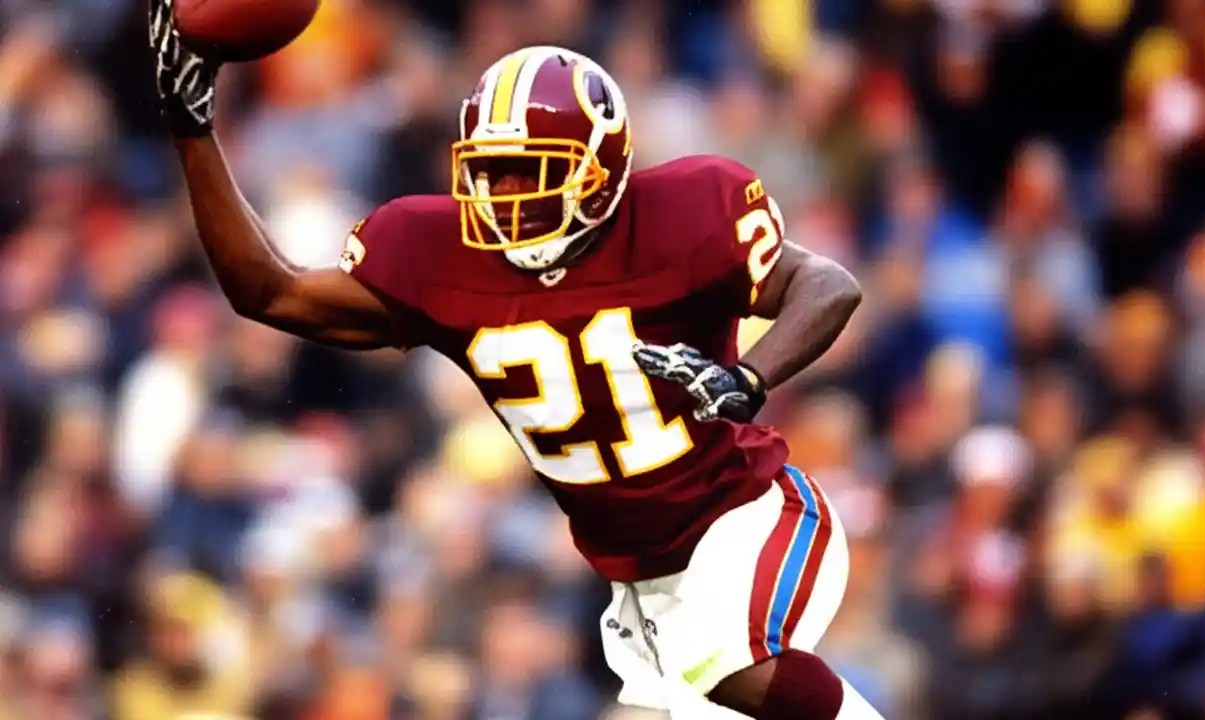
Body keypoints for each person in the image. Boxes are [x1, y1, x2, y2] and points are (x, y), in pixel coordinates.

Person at [148, 1, 878, 716]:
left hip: (750, 518)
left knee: (726, 661)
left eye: (529, 170)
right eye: (490, 172)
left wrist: (748, 376)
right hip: (644, 583)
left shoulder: (682, 215)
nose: (503, 195)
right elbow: (269, 293)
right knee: (710, 676)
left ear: (600, 169)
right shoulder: (442, 258)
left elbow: (827, 285)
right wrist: (193, 128)